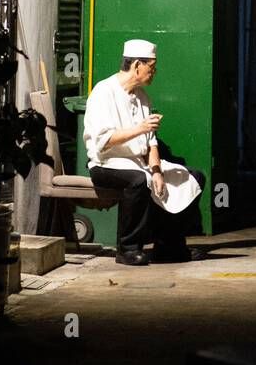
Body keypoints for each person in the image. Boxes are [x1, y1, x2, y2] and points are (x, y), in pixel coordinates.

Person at [83, 39, 207, 265]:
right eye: (152, 67)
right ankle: (128, 249)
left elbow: (151, 143)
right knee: (139, 181)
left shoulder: (142, 97)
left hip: (138, 162)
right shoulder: (103, 92)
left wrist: (157, 170)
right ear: (137, 65)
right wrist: (140, 128)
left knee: (192, 177)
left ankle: (169, 246)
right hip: (106, 164)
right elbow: (103, 140)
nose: (154, 72)